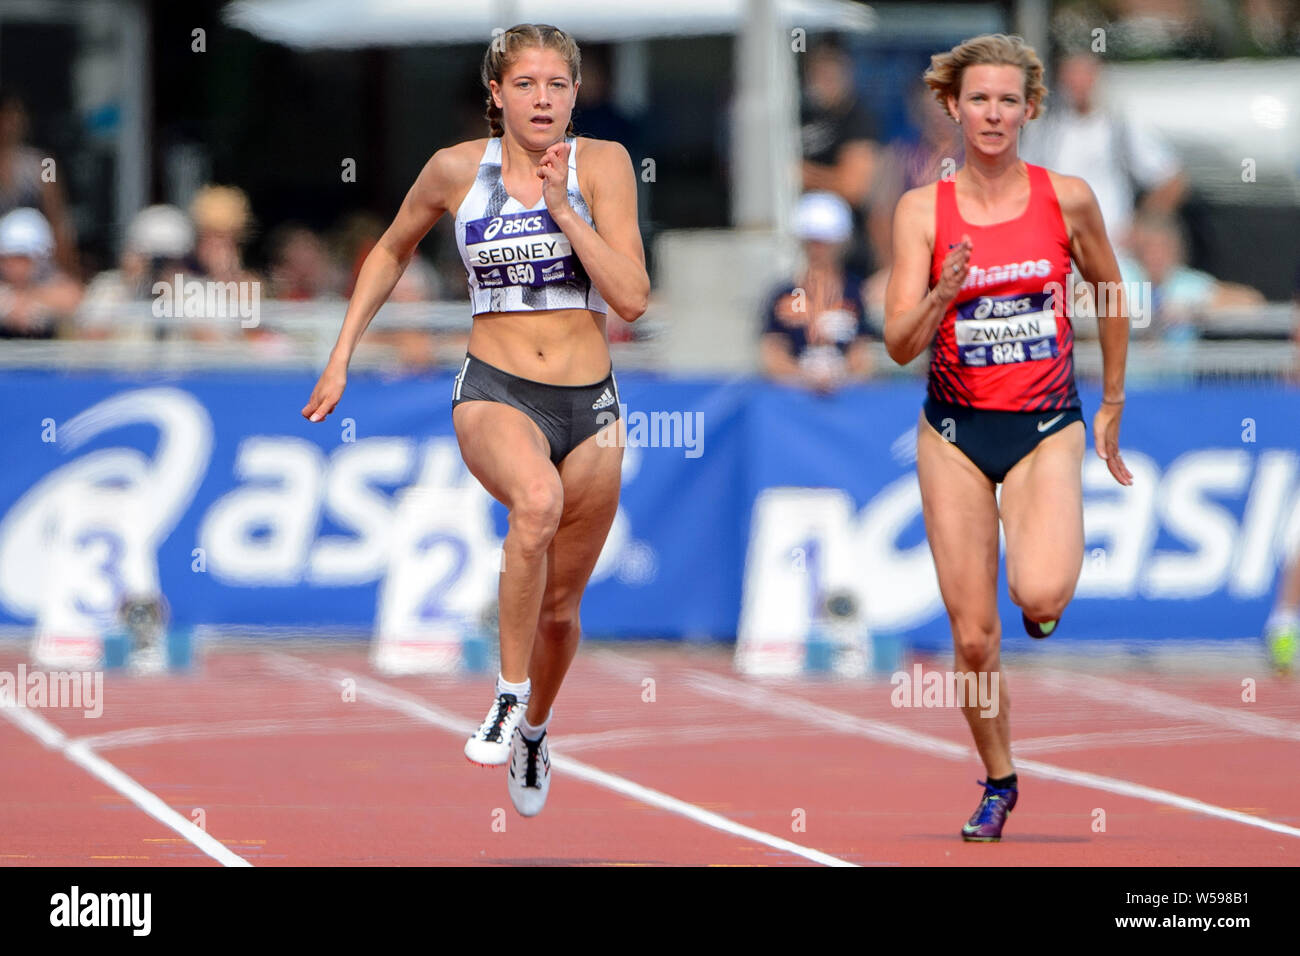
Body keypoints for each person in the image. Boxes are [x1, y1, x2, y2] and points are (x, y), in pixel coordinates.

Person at [301, 24, 648, 817]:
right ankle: (505, 691)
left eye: (557, 86)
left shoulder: (604, 165)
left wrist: (564, 209)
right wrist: (341, 353)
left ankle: (534, 728)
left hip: (592, 407)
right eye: (525, 85)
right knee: (535, 504)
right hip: (495, 389)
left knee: (562, 609)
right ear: (497, 94)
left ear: (575, 93)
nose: (543, 100)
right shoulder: (457, 169)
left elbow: (630, 296)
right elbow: (390, 250)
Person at [884, 34, 1133, 842]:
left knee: (1039, 596)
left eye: (1007, 100)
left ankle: (1040, 596)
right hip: (953, 432)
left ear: (1030, 108)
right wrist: (941, 294)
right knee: (972, 635)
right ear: (953, 108)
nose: (992, 114)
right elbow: (896, 341)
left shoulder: (1068, 198)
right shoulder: (922, 210)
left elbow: (1110, 287)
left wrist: (1114, 399)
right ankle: (999, 780)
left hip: (1044, 429)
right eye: (977, 100)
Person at [1019, 51, 1186, 252]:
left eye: (1085, 73)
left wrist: (1140, 227)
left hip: (1112, 254)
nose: (1078, 82)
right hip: (1056, 254)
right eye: (1071, 73)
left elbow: (1171, 180)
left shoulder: (1120, 126)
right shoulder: (1044, 130)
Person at [760, 191, 873, 392]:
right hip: (793, 398)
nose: (819, 249)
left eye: (826, 243)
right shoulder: (783, 294)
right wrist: (804, 378)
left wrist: (839, 376)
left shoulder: (855, 292)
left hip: (843, 396)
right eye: (813, 241)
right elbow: (772, 354)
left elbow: (862, 355)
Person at [800, 40, 879, 278]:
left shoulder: (857, 118)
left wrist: (802, 175)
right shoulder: (797, 113)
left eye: (832, 75)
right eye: (818, 75)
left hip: (844, 238)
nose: (825, 82)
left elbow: (854, 187)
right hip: (797, 234)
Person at [0, 207, 81, 339]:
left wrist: (27, 302)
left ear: (40, 258)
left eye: (20, 257)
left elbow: (72, 298)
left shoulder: (58, 286)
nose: (11, 265)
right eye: (5, 258)